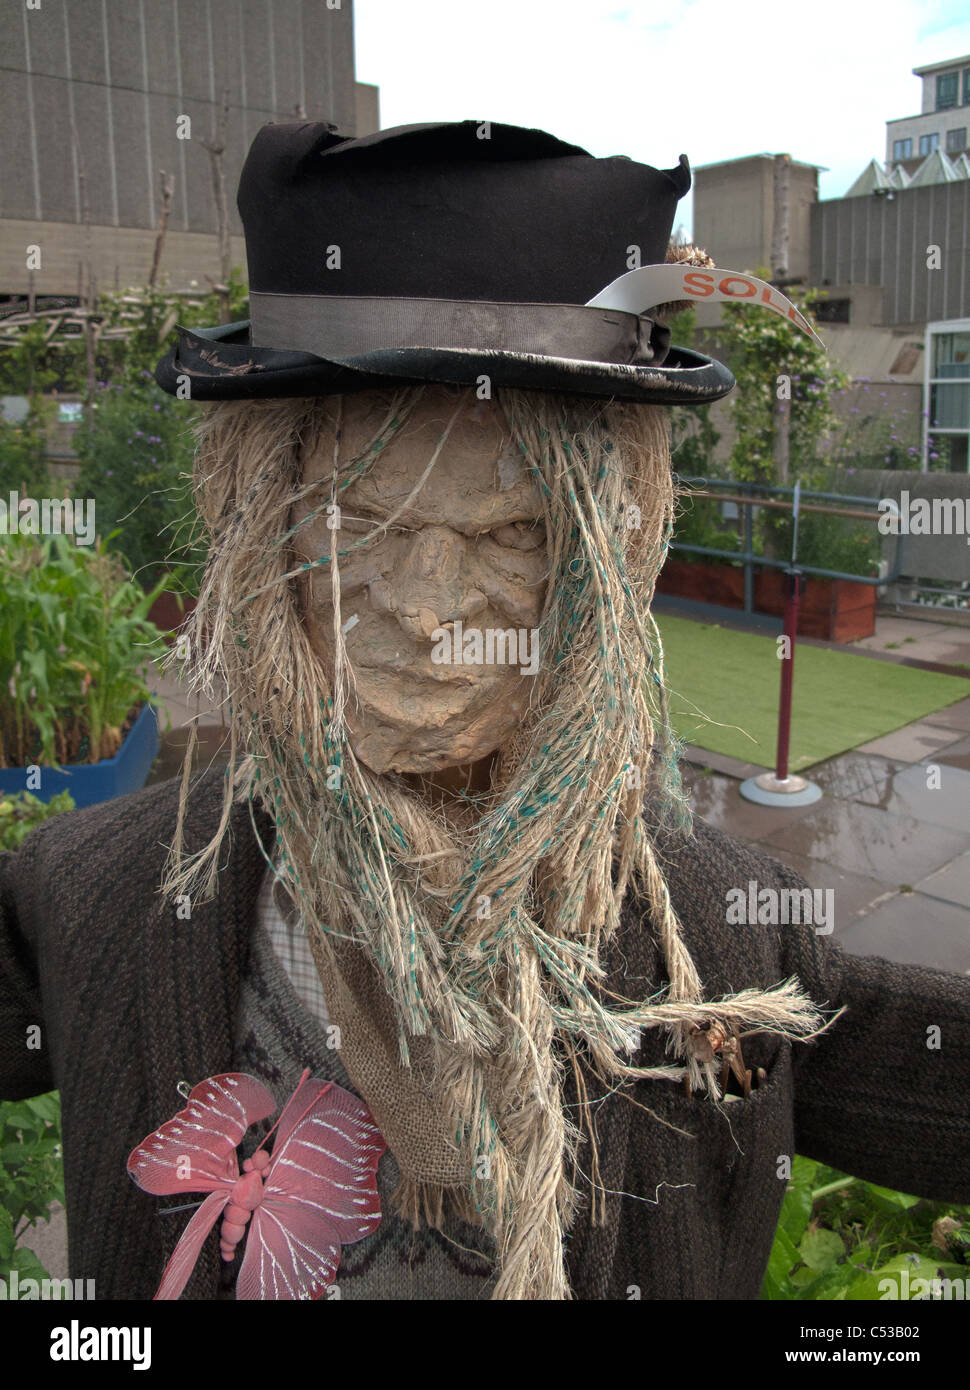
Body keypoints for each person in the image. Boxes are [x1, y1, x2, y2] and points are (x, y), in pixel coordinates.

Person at [1, 120, 967, 1302]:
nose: (427, 608)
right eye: (361, 521)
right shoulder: (94, 893)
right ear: (269, 536)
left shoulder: (712, 937)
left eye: (509, 533)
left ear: (603, 564)